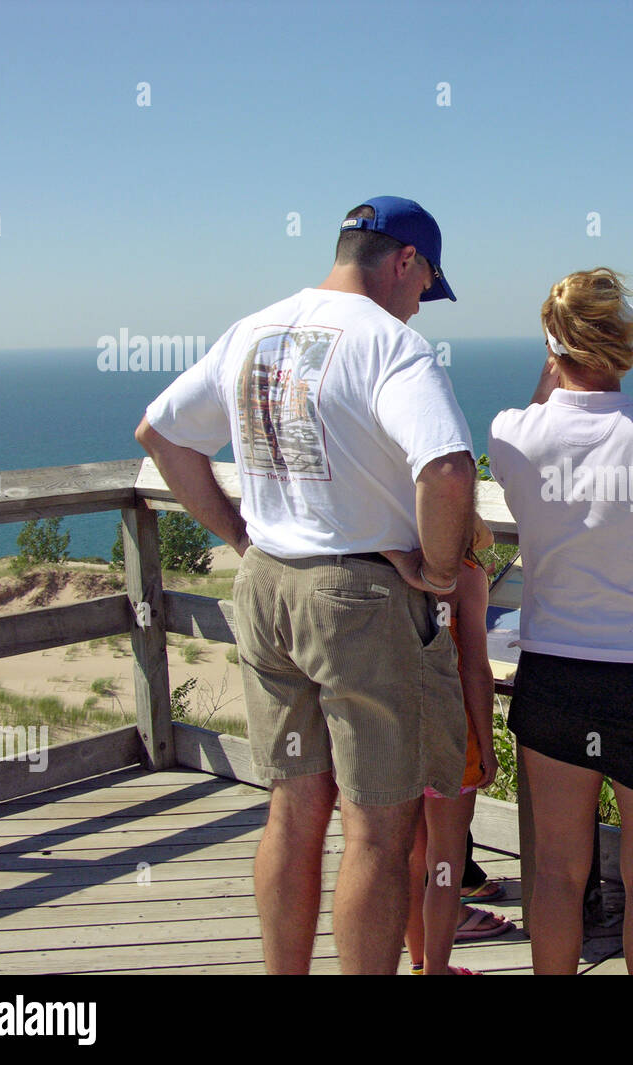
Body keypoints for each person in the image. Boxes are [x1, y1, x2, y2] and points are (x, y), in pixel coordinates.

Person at [134, 196, 477, 975]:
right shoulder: (393, 347)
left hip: (266, 588)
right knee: (379, 831)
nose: (422, 302)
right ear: (404, 261)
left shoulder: (253, 329)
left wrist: (239, 535)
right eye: (427, 284)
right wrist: (441, 573)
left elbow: (159, 433)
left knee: (291, 810)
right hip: (359, 603)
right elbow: (449, 469)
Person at [487, 268, 633, 975]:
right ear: (624, 346)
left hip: (554, 678)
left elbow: (532, 418)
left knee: (555, 872)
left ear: (552, 351)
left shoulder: (511, 437)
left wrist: (549, 371)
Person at [399, 514, 512, 975]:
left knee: (409, 860)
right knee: (445, 864)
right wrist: (486, 745)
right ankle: (439, 969)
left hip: (393, 734)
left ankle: (420, 960)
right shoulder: (466, 577)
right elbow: (476, 669)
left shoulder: (389, 570)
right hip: (450, 734)